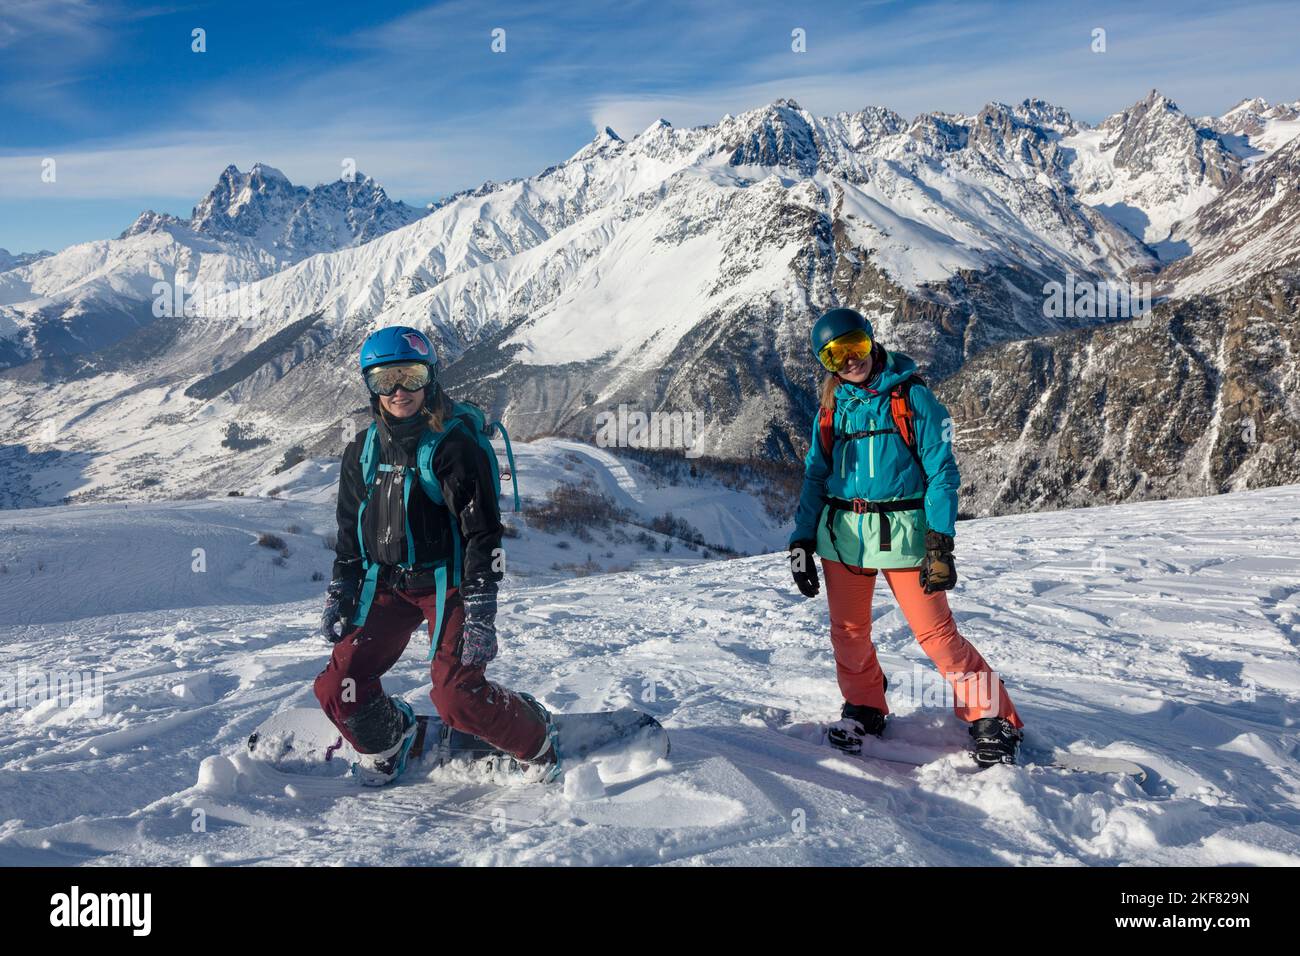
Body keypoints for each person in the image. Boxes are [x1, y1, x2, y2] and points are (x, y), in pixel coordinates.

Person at [313, 325, 556, 785]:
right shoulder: (361, 451)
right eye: (384, 380)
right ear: (370, 386)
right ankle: (390, 736)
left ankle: (536, 736)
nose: (399, 390)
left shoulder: (454, 447)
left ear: (431, 377)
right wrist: (342, 587)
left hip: (451, 581)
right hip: (387, 583)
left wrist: (481, 608)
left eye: (410, 375)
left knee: (456, 697)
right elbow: (350, 531)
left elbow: (482, 533)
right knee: (337, 688)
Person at [788, 307, 1026, 766]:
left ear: (872, 340)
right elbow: (815, 475)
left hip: (905, 532)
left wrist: (940, 540)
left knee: (936, 634)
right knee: (849, 632)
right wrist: (802, 541)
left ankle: (994, 717)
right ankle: (865, 706)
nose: (850, 361)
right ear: (827, 364)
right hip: (843, 536)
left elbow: (942, 472)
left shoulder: (912, 397)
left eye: (855, 346)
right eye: (836, 356)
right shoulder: (832, 406)